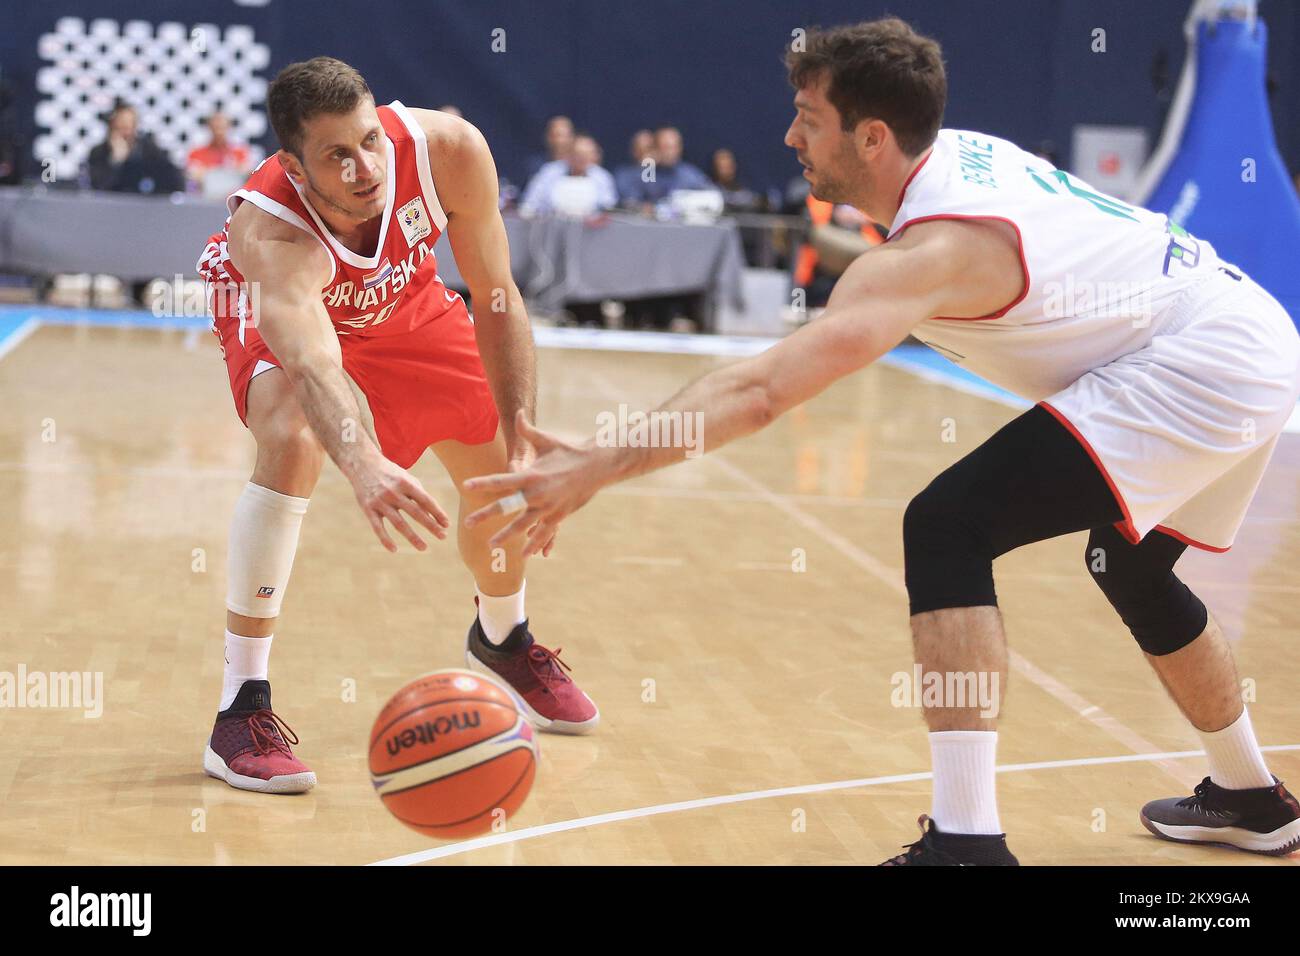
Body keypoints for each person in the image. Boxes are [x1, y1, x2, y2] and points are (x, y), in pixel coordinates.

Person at [461, 19, 1300, 864]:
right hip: (1239, 329)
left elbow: (759, 393)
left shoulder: (934, 249)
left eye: (807, 117)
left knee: (948, 524)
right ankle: (1250, 795)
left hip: (1202, 361)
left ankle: (966, 841)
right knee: (1127, 561)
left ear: (871, 135)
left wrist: (596, 467)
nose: (788, 135)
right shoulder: (953, 162)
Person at [195, 57, 599, 794]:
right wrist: (364, 463)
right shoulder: (274, 233)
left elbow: (496, 293)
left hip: (400, 299)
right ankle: (239, 707)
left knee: (504, 480)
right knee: (294, 436)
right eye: (335, 156)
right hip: (284, 310)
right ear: (293, 163)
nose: (363, 167)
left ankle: (503, 638)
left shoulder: (449, 150)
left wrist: (525, 431)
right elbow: (315, 366)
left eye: (369, 141)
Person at [85, 102, 183, 194]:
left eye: (129, 127)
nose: (126, 133)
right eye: (121, 127)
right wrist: (116, 161)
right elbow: (99, 188)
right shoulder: (99, 152)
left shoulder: (148, 150)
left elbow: (172, 181)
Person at [518, 133, 617, 216]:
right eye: (578, 154)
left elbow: (608, 208)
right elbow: (529, 204)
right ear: (568, 154)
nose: (582, 159)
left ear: (594, 156)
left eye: (586, 155)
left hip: (592, 233)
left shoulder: (602, 177)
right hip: (549, 230)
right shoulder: (550, 172)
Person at [619, 126, 716, 204]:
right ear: (655, 148)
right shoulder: (645, 171)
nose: (671, 152)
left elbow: (712, 193)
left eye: (675, 147)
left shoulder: (688, 173)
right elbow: (630, 199)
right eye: (666, 147)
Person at [186, 111, 255, 195]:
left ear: (229, 128)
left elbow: (247, 171)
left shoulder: (240, 152)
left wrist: (209, 171)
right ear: (209, 128)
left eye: (222, 127)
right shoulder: (196, 152)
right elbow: (193, 175)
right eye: (215, 127)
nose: (219, 131)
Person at [520, 114, 574, 186]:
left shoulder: (577, 166)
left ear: (572, 138)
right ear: (548, 137)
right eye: (556, 135)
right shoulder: (536, 166)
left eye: (564, 136)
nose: (560, 141)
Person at [614, 129, 655, 207]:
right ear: (633, 150)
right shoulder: (623, 173)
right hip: (631, 216)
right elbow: (630, 198)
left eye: (648, 149)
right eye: (639, 150)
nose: (644, 154)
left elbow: (657, 196)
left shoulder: (661, 171)